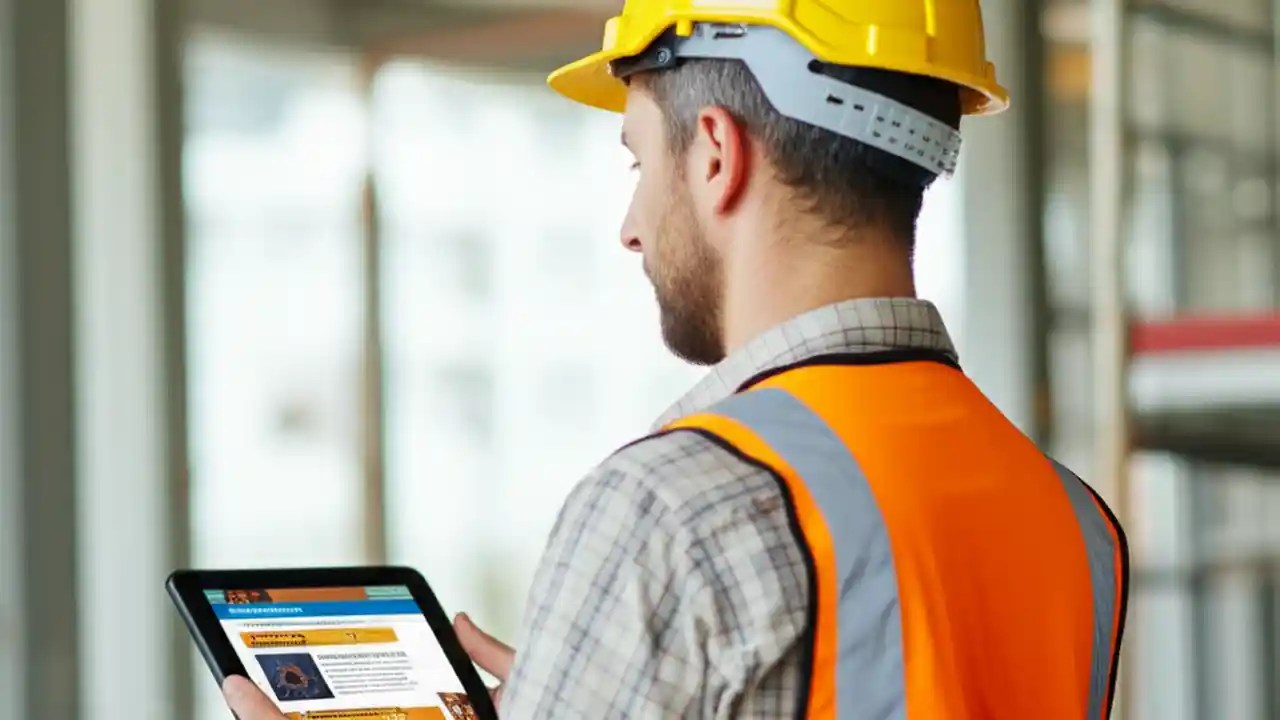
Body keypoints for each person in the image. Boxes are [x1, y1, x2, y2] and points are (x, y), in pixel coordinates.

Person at [225, 1, 1129, 718]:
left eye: (638, 162)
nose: (630, 228)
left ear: (716, 154)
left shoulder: (672, 506)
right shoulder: (1074, 518)